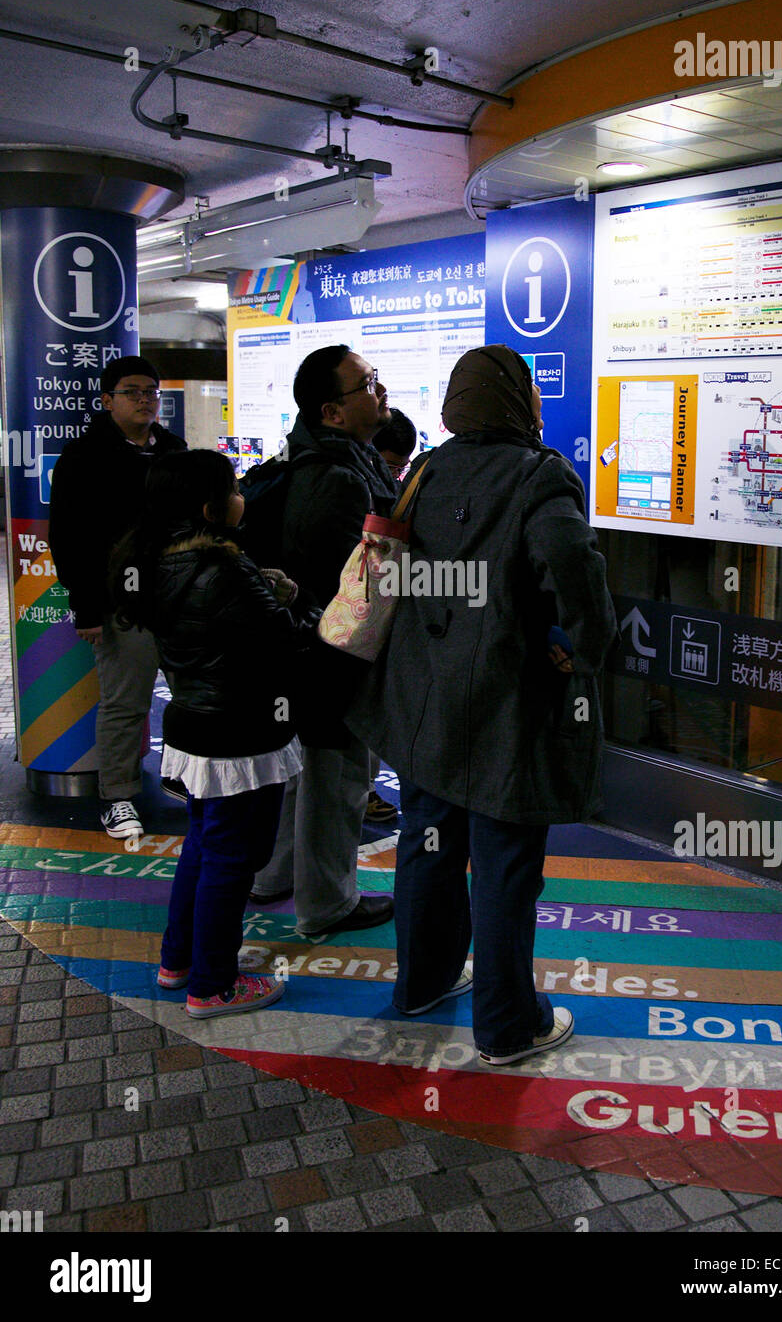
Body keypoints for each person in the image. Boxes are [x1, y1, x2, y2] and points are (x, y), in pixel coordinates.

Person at [345, 345, 618, 1066]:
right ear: (514, 399)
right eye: (529, 389)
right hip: (507, 706)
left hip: (427, 701)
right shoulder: (539, 474)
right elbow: (573, 575)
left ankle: (423, 984)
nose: (536, 400)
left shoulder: (428, 469)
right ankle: (507, 1025)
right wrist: (585, 647)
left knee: (428, 844)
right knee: (504, 863)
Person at [110, 448, 306, 1017]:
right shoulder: (222, 567)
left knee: (204, 843)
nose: (242, 495)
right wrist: (296, 606)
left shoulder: (157, 561)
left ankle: (182, 960)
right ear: (209, 506)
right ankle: (213, 985)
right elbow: (283, 640)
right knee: (234, 855)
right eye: (234, 488)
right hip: (238, 731)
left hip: (195, 727)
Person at [249, 346, 396, 939]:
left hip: (305, 653)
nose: (379, 389)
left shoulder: (329, 462)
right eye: (367, 383)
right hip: (332, 655)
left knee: (299, 771)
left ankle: (274, 876)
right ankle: (328, 903)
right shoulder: (338, 480)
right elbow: (348, 584)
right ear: (333, 412)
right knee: (337, 779)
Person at [48, 356, 186, 843]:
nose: (146, 399)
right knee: (125, 703)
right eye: (132, 391)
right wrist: (86, 607)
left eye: (151, 390)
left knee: (191, 695)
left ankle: (186, 776)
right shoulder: (83, 457)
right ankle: (119, 796)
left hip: (177, 598)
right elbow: (68, 537)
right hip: (119, 603)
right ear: (107, 400)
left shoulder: (173, 449)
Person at [364, 409, 420, 823]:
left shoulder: (385, 482)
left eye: (402, 466)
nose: (396, 473)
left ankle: (364, 789)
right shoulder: (353, 481)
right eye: (391, 464)